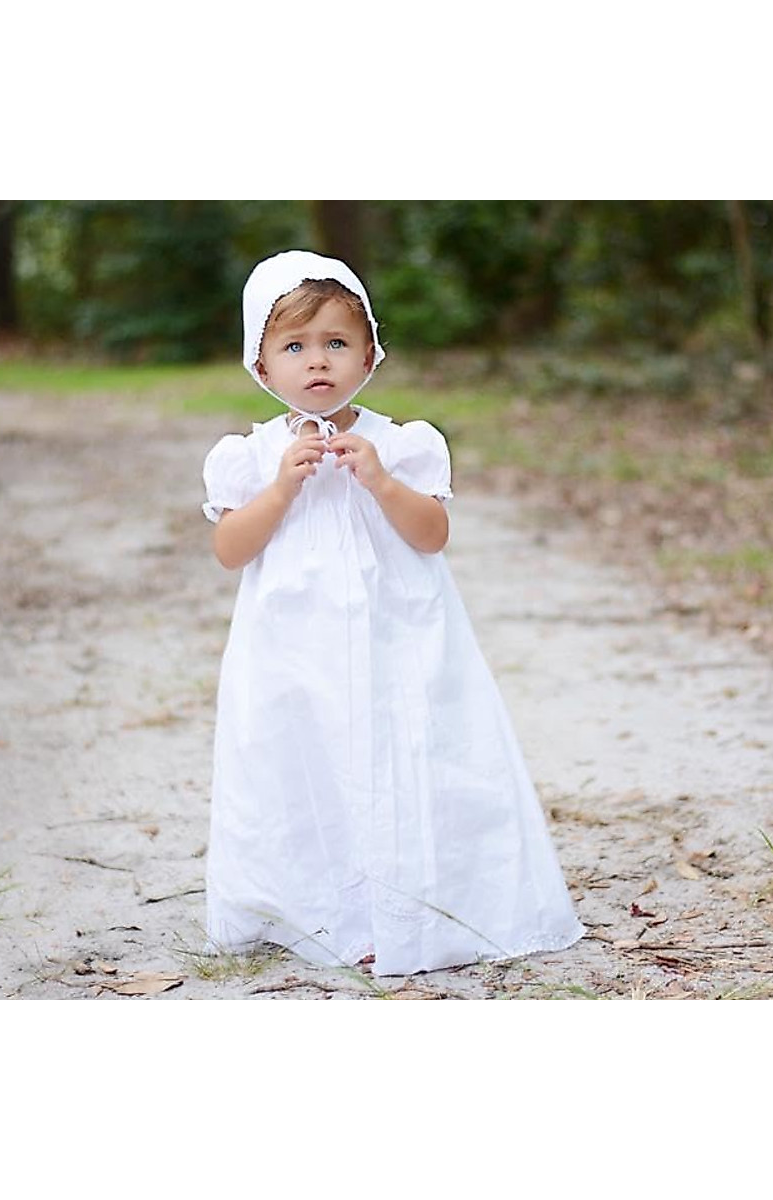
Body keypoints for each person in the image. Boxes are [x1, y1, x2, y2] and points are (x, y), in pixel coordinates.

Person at [200, 249, 584, 976]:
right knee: (305, 761)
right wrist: (279, 492)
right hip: (292, 646)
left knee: (401, 755)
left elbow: (432, 535)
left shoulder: (404, 444)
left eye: (336, 342)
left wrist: (378, 480)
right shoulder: (250, 457)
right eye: (294, 347)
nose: (318, 361)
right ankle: (316, 906)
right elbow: (230, 550)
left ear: (370, 354)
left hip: (396, 636)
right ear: (261, 368)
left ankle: (408, 905)